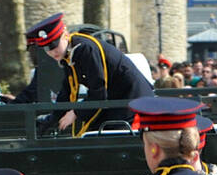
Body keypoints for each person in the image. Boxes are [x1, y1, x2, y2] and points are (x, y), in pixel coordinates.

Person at [20, 12, 152, 135]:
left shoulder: (84, 50)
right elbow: (68, 90)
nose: (53, 52)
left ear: (65, 35)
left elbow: (98, 91)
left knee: (103, 137)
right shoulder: (69, 53)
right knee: (94, 134)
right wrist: (53, 118)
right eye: (47, 48)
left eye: (55, 45)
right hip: (117, 99)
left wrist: (76, 113)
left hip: (132, 100)